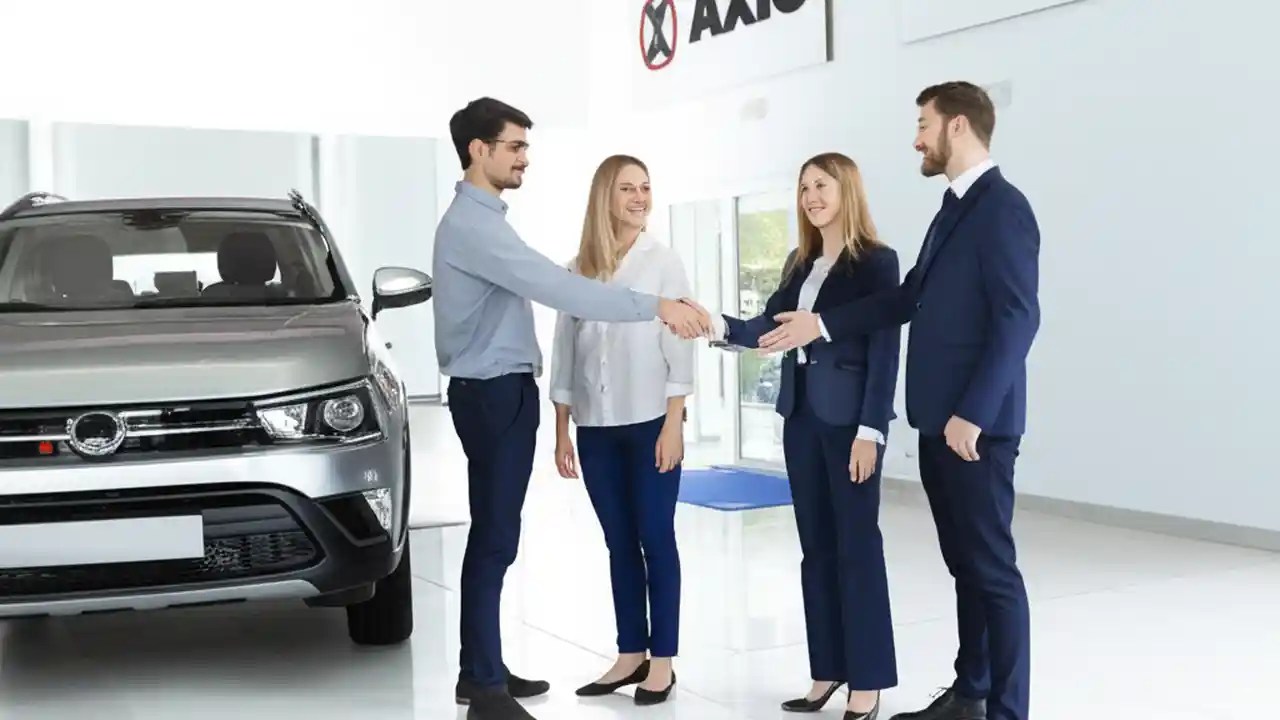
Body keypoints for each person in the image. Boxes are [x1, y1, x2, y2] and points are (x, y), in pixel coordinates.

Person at [757, 82, 1041, 720]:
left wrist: (975, 412)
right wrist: (821, 325)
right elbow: (907, 298)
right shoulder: (953, 208)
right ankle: (970, 693)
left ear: (958, 127)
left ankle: (1007, 709)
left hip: (975, 427)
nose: (917, 138)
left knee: (993, 573)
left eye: (924, 125)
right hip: (939, 423)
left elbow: (1019, 318)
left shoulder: (1003, 207)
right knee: (966, 567)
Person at [432, 97, 711, 720]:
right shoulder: (476, 226)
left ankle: (483, 667)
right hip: (497, 392)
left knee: (506, 536)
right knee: (497, 538)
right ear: (479, 150)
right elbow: (557, 295)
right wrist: (654, 307)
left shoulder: (485, 222)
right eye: (515, 146)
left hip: (516, 395)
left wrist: (674, 411)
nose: (523, 158)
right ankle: (483, 686)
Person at [708, 152, 901, 719]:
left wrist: (872, 429)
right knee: (815, 549)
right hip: (801, 420)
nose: (811, 197)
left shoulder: (876, 263)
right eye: (804, 188)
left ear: (847, 191)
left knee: (857, 548)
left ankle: (867, 681)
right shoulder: (801, 263)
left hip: (850, 426)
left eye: (822, 186)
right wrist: (717, 324)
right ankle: (828, 672)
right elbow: (769, 327)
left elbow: (885, 351)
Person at [548, 154, 690, 707]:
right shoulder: (577, 267)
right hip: (596, 428)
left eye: (645, 188)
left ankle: (664, 661)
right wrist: (562, 430)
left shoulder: (664, 263)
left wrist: (675, 423)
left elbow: (680, 343)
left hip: (653, 420)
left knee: (656, 536)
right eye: (627, 188)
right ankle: (630, 652)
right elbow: (565, 352)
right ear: (604, 196)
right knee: (618, 542)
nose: (639, 197)